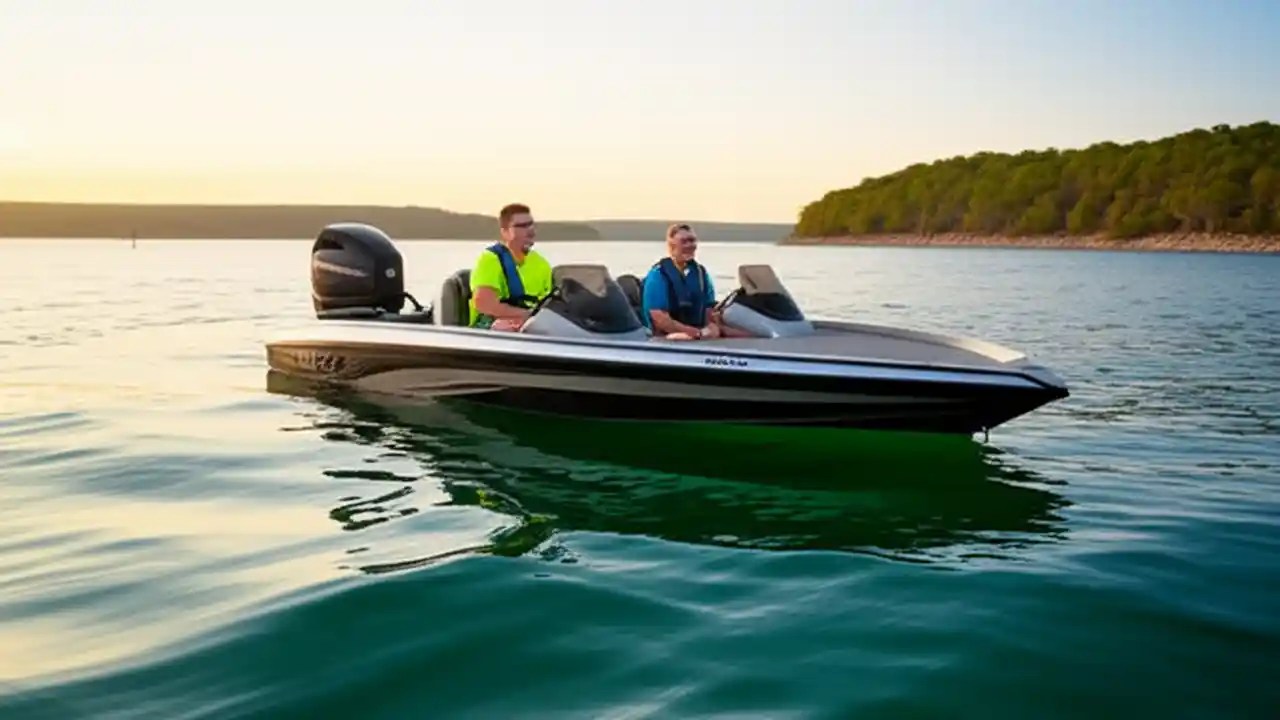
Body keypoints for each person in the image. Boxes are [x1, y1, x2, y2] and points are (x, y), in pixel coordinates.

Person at [641, 222, 750, 340]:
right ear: (672, 246)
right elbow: (659, 318)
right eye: (684, 241)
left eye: (692, 240)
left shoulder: (701, 274)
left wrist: (713, 327)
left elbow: (709, 310)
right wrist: (695, 333)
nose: (689, 245)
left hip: (697, 336)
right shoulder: (658, 275)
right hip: (665, 338)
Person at [469, 203, 554, 331]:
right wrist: (527, 315)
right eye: (521, 226)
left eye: (531, 224)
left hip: (530, 324)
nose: (530, 230)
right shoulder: (491, 259)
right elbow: (484, 304)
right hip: (488, 328)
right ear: (505, 232)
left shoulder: (542, 264)